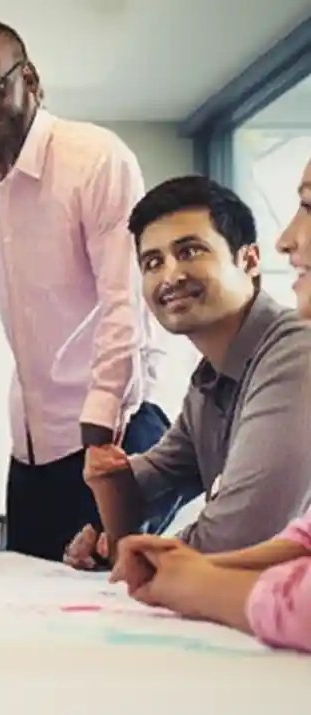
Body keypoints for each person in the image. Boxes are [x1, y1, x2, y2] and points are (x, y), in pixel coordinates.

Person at [0, 19, 171, 561]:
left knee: (112, 603)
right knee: (28, 600)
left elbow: (124, 301)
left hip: (111, 430)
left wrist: (102, 427)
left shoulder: (94, 158)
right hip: (32, 443)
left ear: (31, 80)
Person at [109, 158, 311, 653]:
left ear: (248, 261)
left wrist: (162, 562)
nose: (169, 275)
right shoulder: (209, 378)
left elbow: (241, 533)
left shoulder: (297, 353)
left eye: (189, 251)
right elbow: (149, 479)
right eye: (152, 262)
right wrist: (106, 492)